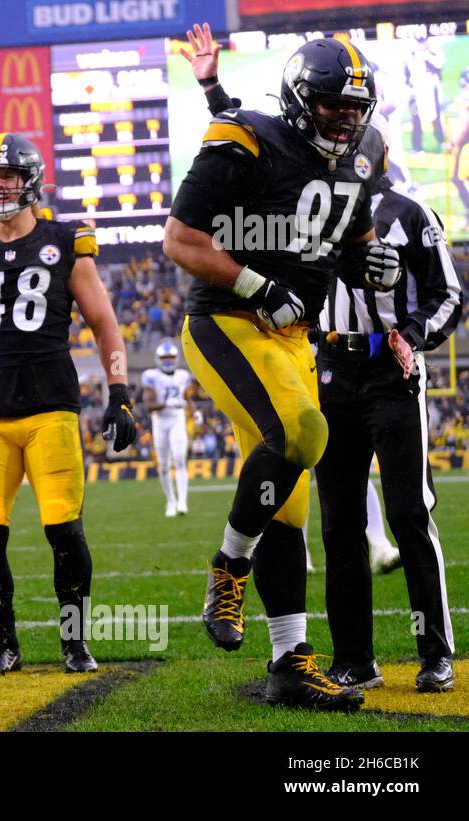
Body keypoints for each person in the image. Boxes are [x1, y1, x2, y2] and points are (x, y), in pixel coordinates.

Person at [184, 24, 460, 695]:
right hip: (228, 319)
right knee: (306, 433)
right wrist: (257, 284)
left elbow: (354, 235)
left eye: (354, 109)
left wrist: (372, 263)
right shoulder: (246, 138)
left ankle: (290, 663)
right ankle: (229, 564)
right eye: (333, 105)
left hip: (292, 339)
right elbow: (182, 241)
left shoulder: (362, 154)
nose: (344, 119)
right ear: (301, 97)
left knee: (292, 504)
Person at [0, 132, 137, 678]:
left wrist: (118, 392)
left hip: (51, 408)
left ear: (30, 180)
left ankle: (74, 642)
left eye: (6, 175)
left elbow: (104, 324)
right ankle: (4, 645)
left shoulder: (65, 239)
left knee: (64, 529)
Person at [140, 339, 193, 517]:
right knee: (163, 465)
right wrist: (166, 403)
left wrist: (195, 413)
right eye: (165, 357)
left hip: (177, 419)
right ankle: (170, 501)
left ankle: (182, 502)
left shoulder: (183, 376)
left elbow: (187, 399)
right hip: (160, 421)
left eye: (171, 357)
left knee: (179, 458)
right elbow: (148, 405)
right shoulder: (151, 376)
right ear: (158, 358)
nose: (168, 360)